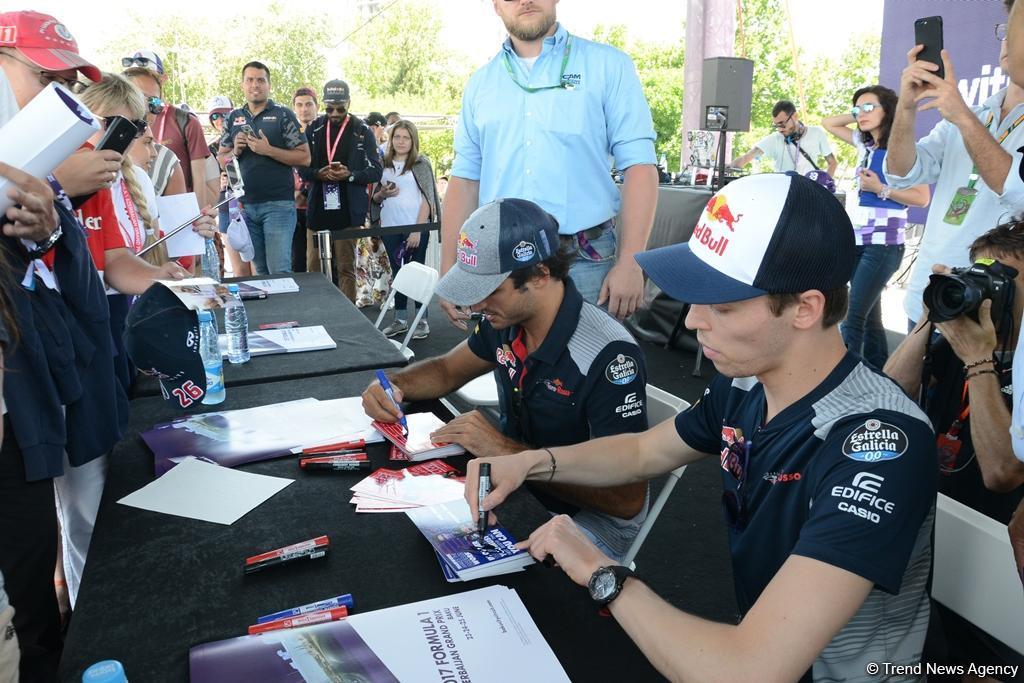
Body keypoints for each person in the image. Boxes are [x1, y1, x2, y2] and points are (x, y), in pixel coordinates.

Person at [465, 174, 937, 682]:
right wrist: (530, 461)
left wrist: (600, 570)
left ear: (806, 308)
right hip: (759, 646)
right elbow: (644, 451)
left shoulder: (881, 445)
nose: (691, 321)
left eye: (723, 305)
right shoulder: (747, 385)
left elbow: (751, 671)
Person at [364, 198, 650, 561]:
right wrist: (393, 385)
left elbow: (625, 501)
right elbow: (448, 369)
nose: (477, 304)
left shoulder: (609, 355)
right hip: (520, 487)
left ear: (541, 274)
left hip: (589, 520)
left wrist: (507, 452)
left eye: (490, 290)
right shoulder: (505, 319)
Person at [0, 11, 127, 679]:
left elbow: (78, 290)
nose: (60, 101)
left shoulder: (47, 177)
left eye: (68, 82)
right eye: (43, 77)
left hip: (40, 408)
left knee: (36, 602)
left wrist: (52, 227)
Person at [441, 0, 658, 325]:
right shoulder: (480, 84)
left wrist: (631, 261)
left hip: (586, 259)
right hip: (501, 262)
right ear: (496, 6)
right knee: (512, 370)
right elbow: (464, 180)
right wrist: (450, 269)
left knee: (589, 371)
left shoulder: (607, 65)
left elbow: (640, 165)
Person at [885, 221, 1024, 676]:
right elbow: (893, 391)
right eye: (979, 274)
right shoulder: (956, 343)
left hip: (997, 562)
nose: (985, 291)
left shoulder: (997, 361)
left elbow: (1001, 472)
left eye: (1003, 280)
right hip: (936, 535)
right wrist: (934, 312)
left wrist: (981, 363)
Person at [884, 3, 1024, 327]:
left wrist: (960, 114)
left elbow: (1018, 192)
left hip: (990, 303)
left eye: (1015, 31)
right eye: (1006, 30)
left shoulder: (963, 113)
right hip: (927, 292)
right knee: (902, 380)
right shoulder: (976, 112)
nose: (1007, 41)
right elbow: (902, 173)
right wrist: (906, 107)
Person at [822, 86, 930, 368]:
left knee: (853, 315)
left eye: (870, 107)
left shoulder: (903, 148)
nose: (861, 114)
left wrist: (881, 189)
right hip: (857, 242)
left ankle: (844, 383)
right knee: (870, 319)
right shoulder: (864, 144)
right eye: (857, 109)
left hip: (883, 246)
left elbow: (921, 197)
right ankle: (880, 374)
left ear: (889, 110)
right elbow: (828, 123)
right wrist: (863, 112)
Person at [218, 61, 311, 275]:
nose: (255, 85)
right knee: (260, 272)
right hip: (245, 206)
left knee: (279, 270)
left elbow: (305, 158)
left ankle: (286, 310)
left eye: (260, 80)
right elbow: (221, 157)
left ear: (269, 85)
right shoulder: (233, 117)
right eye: (250, 80)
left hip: (278, 205)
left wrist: (268, 150)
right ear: (242, 85)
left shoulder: (282, 115)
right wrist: (235, 152)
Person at [298, 79, 381, 301]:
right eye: (330, 108)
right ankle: (317, 314)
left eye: (340, 108)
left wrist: (350, 174)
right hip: (317, 210)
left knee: (347, 269)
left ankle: (349, 317)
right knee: (313, 269)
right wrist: (318, 174)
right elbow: (301, 167)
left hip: (349, 213)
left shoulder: (363, 130)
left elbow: (376, 171)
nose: (334, 113)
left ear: (349, 104)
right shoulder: (313, 128)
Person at [371, 119, 440, 340]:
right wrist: (383, 194)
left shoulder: (421, 164)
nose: (401, 141)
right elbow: (374, 197)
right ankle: (400, 320)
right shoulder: (382, 164)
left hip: (415, 227)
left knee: (417, 273)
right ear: (391, 140)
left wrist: (417, 230)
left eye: (406, 137)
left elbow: (428, 199)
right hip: (390, 226)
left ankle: (422, 321)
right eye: (397, 137)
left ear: (413, 140)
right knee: (398, 274)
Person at [123, 52, 211, 205]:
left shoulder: (184, 124)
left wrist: (199, 218)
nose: (145, 108)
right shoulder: (95, 147)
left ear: (162, 79)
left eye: (153, 102)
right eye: (137, 97)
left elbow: (199, 180)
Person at [731, 100, 838, 177]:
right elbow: (746, 158)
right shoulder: (775, 139)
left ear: (795, 116)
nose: (780, 130)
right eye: (776, 125)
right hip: (783, 192)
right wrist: (727, 168)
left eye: (782, 124)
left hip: (808, 192)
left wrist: (825, 183)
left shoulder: (817, 133)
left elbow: (832, 162)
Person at [291, 86, 318, 274]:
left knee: (318, 262)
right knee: (297, 260)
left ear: (316, 106)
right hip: (292, 206)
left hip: (318, 204)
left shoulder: (324, 132)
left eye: (308, 104)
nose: (304, 109)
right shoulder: (288, 134)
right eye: (299, 105)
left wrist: (307, 191)